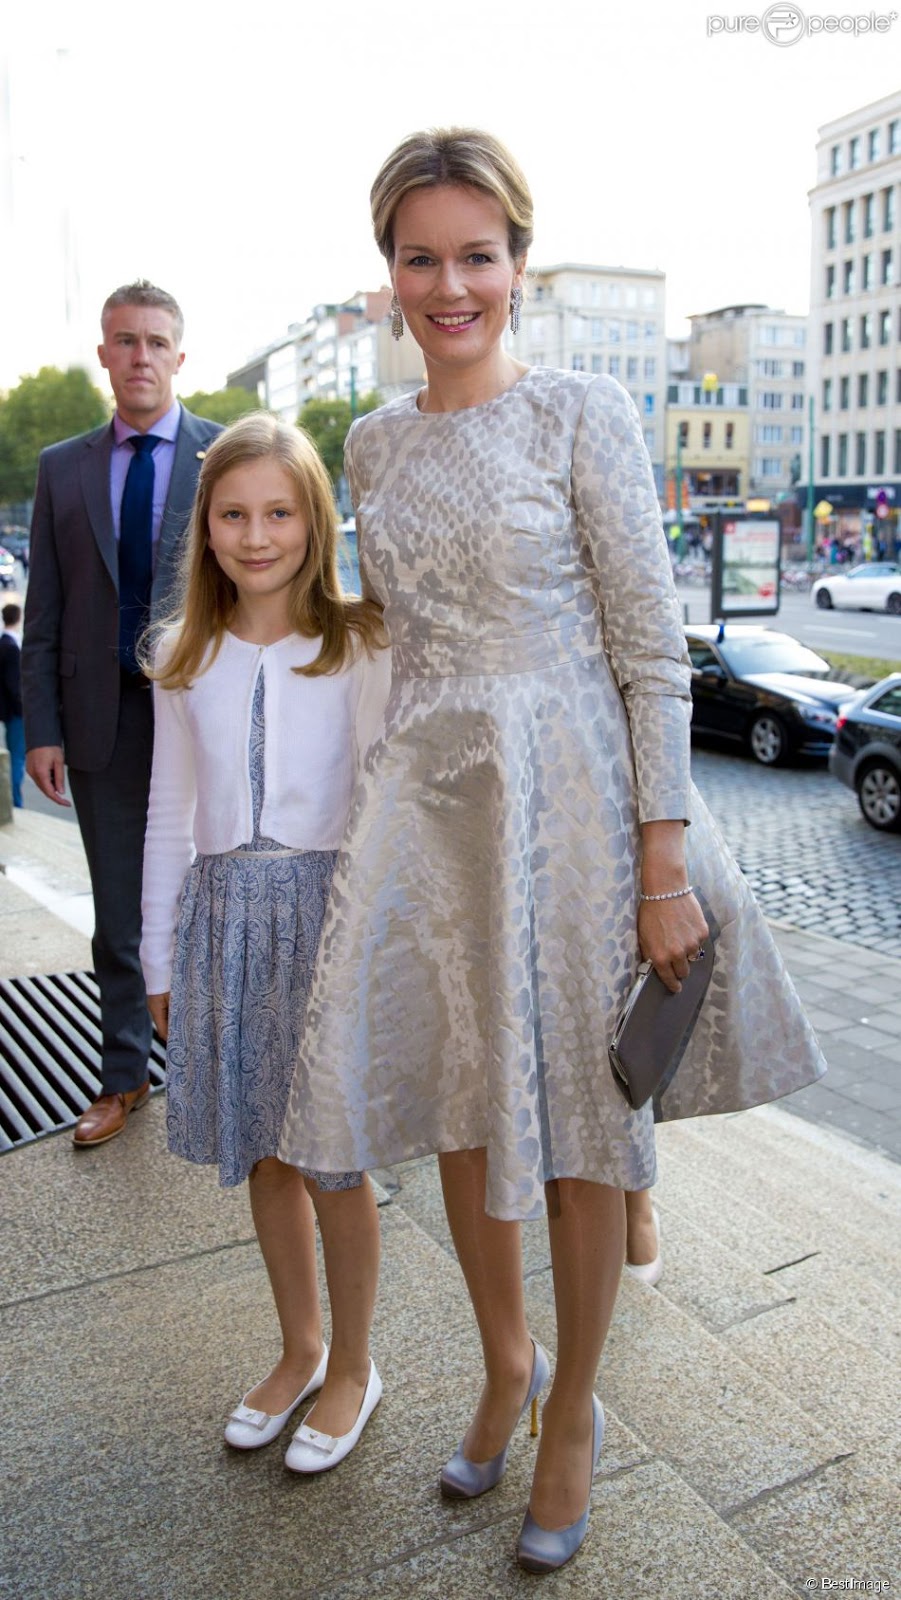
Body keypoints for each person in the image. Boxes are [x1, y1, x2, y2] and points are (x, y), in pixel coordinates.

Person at [278, 128, 826, 1572]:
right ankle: (503, 1361)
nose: (448, 283)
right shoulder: (372, 442)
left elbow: (653, 650)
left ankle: (571, 1411)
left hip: (575, 805)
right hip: (440, 801)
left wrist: (660, 864)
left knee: (585, 1136)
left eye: (476, 254)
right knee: (466, 1108)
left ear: (518, 262)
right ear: (386, 272)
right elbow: (390, 642)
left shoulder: (584, 413)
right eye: (419, 256)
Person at [140, 413, 390, 1467]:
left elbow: (384, 798)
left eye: (278, 512)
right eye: (234, 514)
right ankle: (298, 1345)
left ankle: (355, 1365)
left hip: (328, 915)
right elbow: (166, 806)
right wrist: (157, 955)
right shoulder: (180, 653)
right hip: (225, 920)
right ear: (204, 527)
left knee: (333, 1158)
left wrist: (378, 944)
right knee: (264, 1151)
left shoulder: (359, 641)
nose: (256, 535)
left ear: (313, 519)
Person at [22, 282, 222, 1147]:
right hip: (100, 721)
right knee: (119, 910)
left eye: (155, 341)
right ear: (103, 353)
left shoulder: (226, 455)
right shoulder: (62, 468)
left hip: (204, 717)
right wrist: (42, 728)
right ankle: (120, 1074)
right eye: (123, 341)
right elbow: (46, 604)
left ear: (181, 354)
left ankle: (218, 1069)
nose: (140, 356)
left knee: (219, 893)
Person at [0, 602, 25, 808]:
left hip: (9, 711)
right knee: (17, 758)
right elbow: (13, 684)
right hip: (16, 713)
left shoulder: (4, 643)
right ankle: (15, 802)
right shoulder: (11, 646)